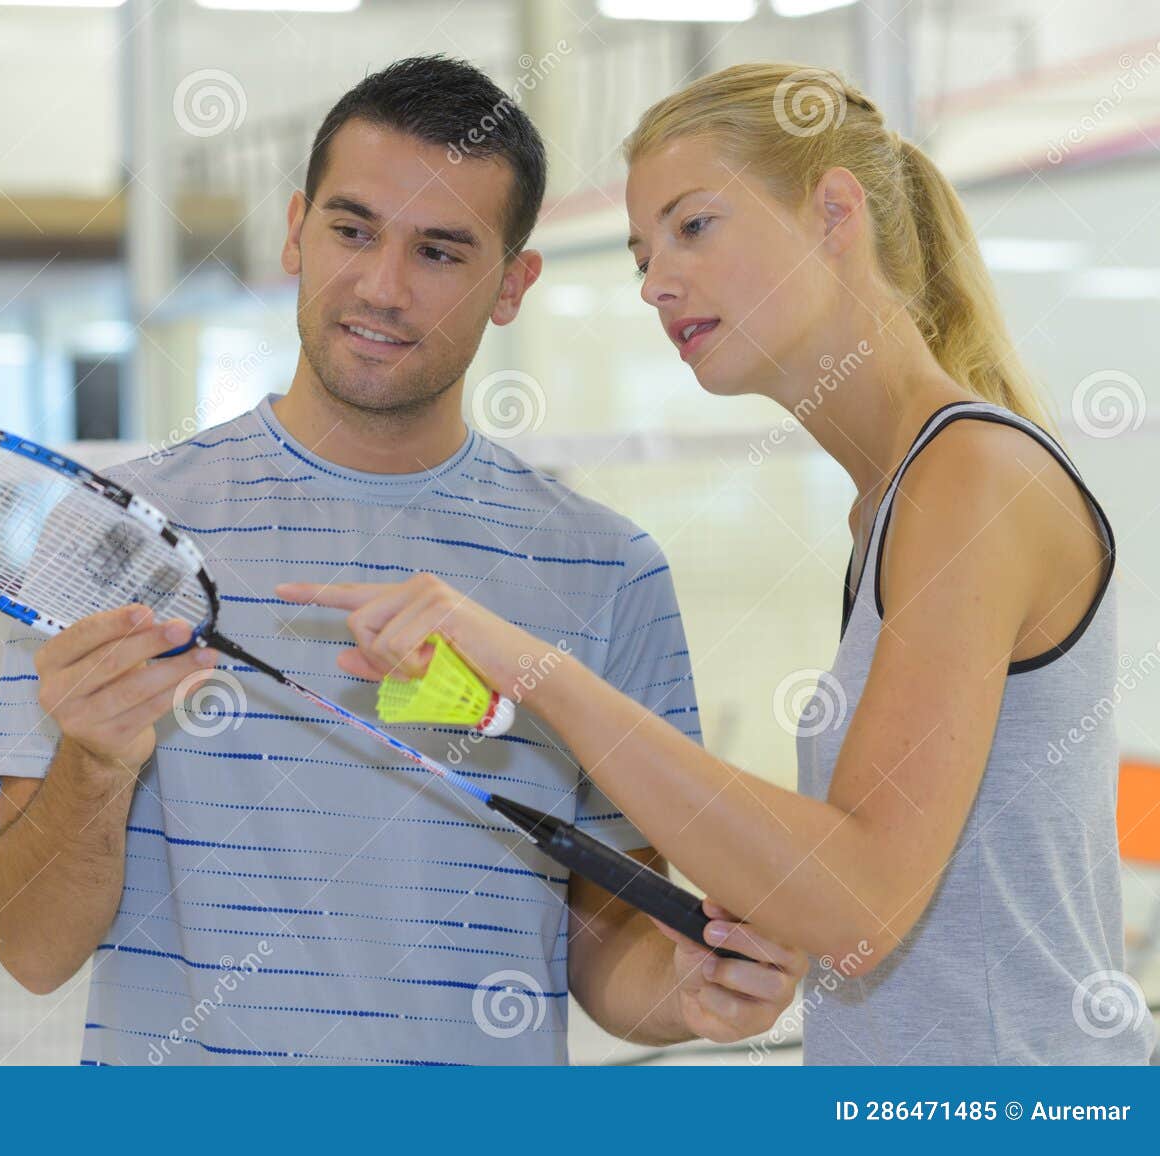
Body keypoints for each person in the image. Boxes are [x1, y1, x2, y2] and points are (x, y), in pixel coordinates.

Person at [279, 62, 1158, 1065]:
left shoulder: (971, 476)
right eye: (642, 250)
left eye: (692, 227)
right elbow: (838, 882)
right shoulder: (892, 503)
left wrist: (539, 674)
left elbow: (860, 900)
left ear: (833, 212)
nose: (655, 280)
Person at [0, 55, 804, 1067]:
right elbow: (29, 947)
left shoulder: (606, 570)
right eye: (352, 230)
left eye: (441, 252)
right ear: (295, 230)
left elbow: (607, 947)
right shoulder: (114, 533)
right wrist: (94, 766)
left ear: (512, 285)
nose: (381, 286)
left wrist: (690, 988)